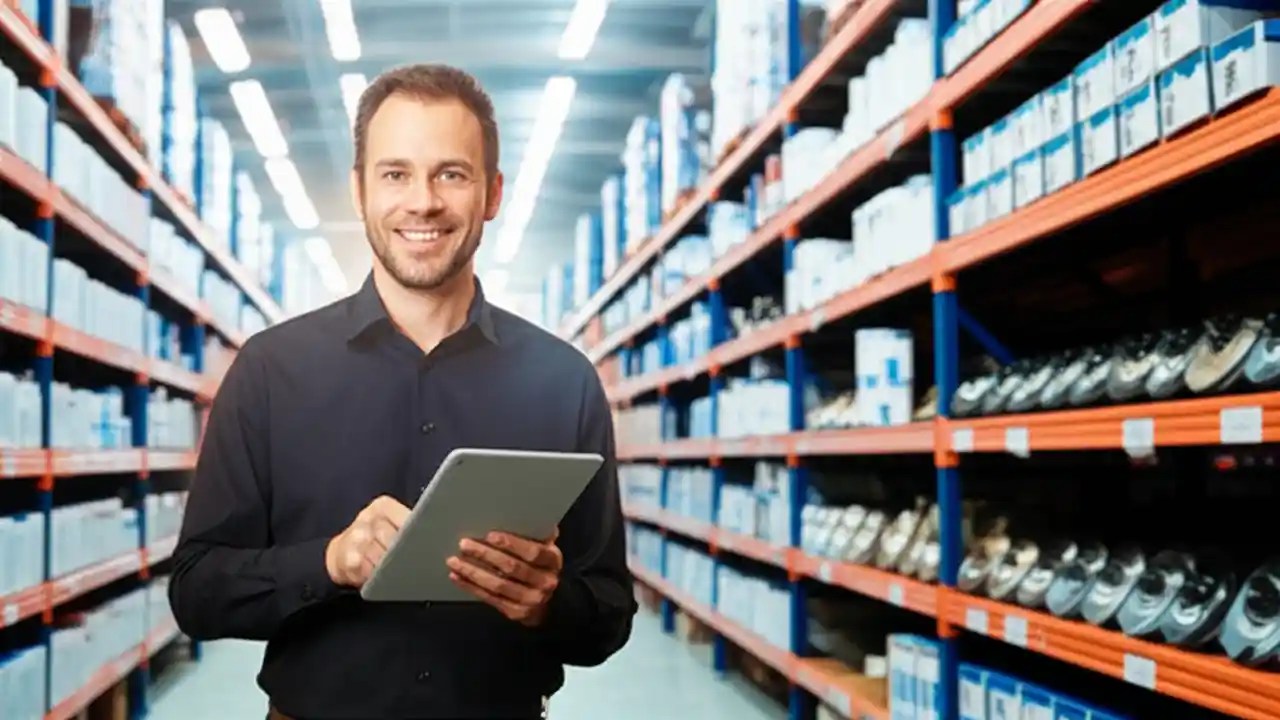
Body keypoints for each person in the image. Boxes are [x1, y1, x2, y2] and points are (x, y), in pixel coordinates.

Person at [168, 63, 637, 720]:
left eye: (452, 173)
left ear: (492, 193)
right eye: (396, 174)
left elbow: (610, 615)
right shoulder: (272, 372)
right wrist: (329, 561)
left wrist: (549, 603)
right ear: (358, 192)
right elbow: (196, 592)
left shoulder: (564, 383)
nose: (423, 201)